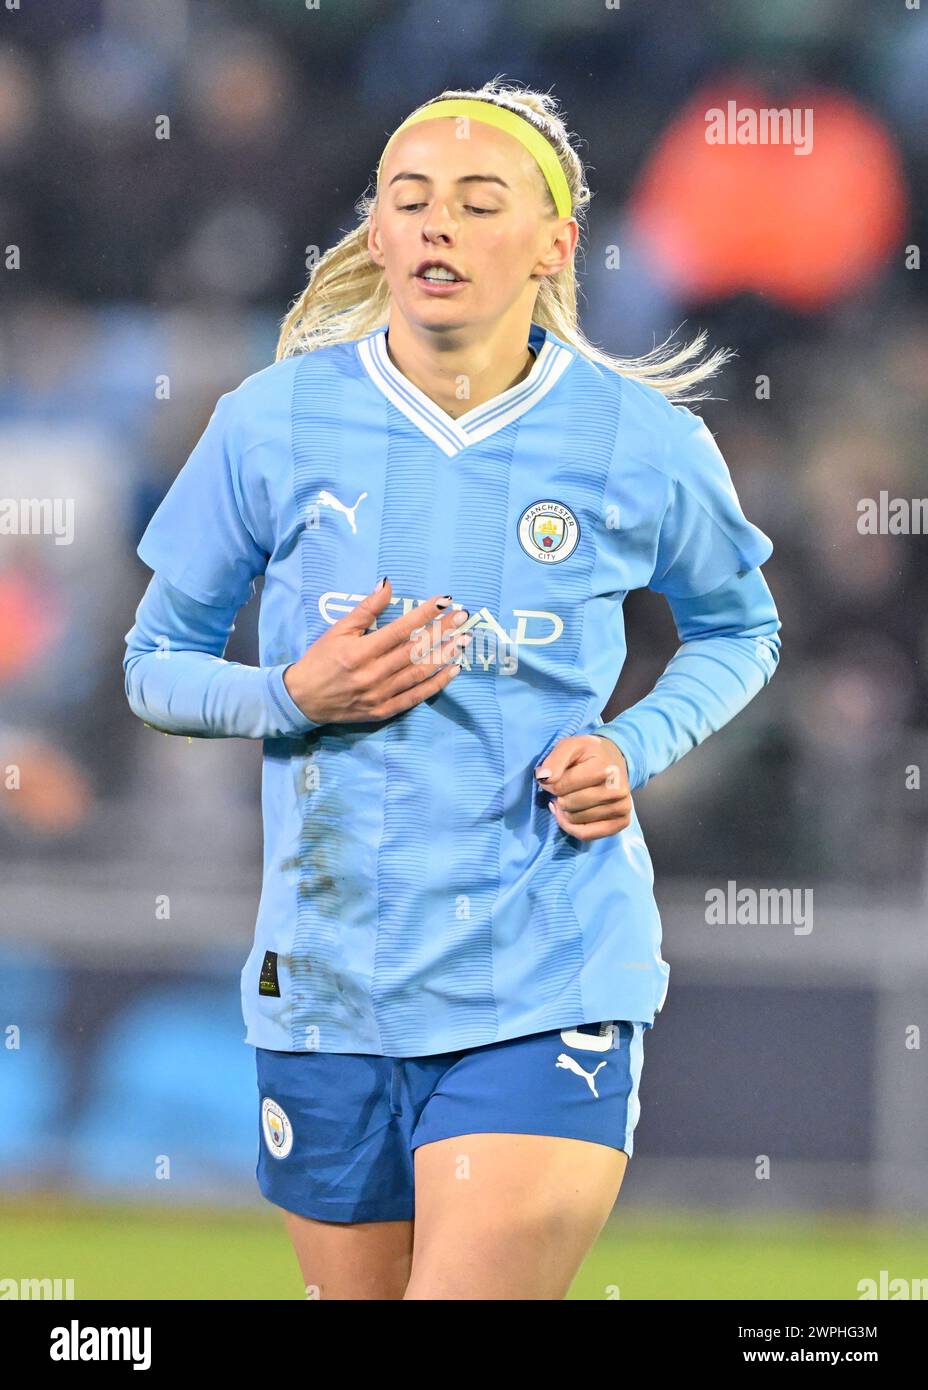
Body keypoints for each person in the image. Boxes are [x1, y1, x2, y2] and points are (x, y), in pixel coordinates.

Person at [123, 79, 782, 1300]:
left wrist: (631, 747)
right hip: (326, 983)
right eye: (410, 201)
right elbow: (151, 662)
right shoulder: (271, 424)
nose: (437, 226)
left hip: (545, 968)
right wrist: (289, 693)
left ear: (553, 244)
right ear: (375, 235)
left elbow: (741, 628)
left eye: (480, 204)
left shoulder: (637, 440)